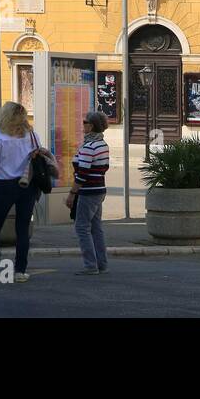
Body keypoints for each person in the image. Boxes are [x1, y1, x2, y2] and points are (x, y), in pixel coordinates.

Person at [0, 102, 55, 283]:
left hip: (5, 186)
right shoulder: (32, 136)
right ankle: (20, 271)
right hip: (28, 186)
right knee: (22, 228)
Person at [67, 110, 111, 275]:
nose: (82, 125)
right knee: (96, 228)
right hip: (99, 189)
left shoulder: (89, 146)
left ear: (91, 126)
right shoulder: (102, 144)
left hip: (88, 191)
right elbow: (104, 168)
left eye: (84, 122)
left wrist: (72, 193)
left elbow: (82, 174)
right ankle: (102, 263)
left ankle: (90, 265)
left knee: (82, 228)